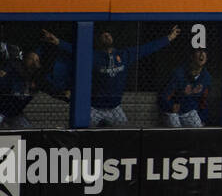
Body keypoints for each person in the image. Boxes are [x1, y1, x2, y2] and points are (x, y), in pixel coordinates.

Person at [47, 25, 180, 128]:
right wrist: (58, 41)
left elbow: (147, 48)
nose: (106, 36)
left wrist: (169, 38)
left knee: (126, 134)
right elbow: (75, 50)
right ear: (98, 40)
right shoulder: (94, 56)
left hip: (115, 108)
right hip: (94, 108)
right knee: (82, 132)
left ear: (113, 38)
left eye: (108, 34)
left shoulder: (124, 55)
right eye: (103, 35)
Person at [158, 48, 212, 128]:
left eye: (204, 52)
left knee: (198, 129)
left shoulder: (206, 77)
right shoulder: (179, 73)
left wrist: (203, 119)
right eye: (198, 51)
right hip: (173, 113)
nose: (202, 54)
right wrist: (170, 106)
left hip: (190, 113)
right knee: (175, 128)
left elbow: (204, 102)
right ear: (192, 56)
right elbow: (163, 97)